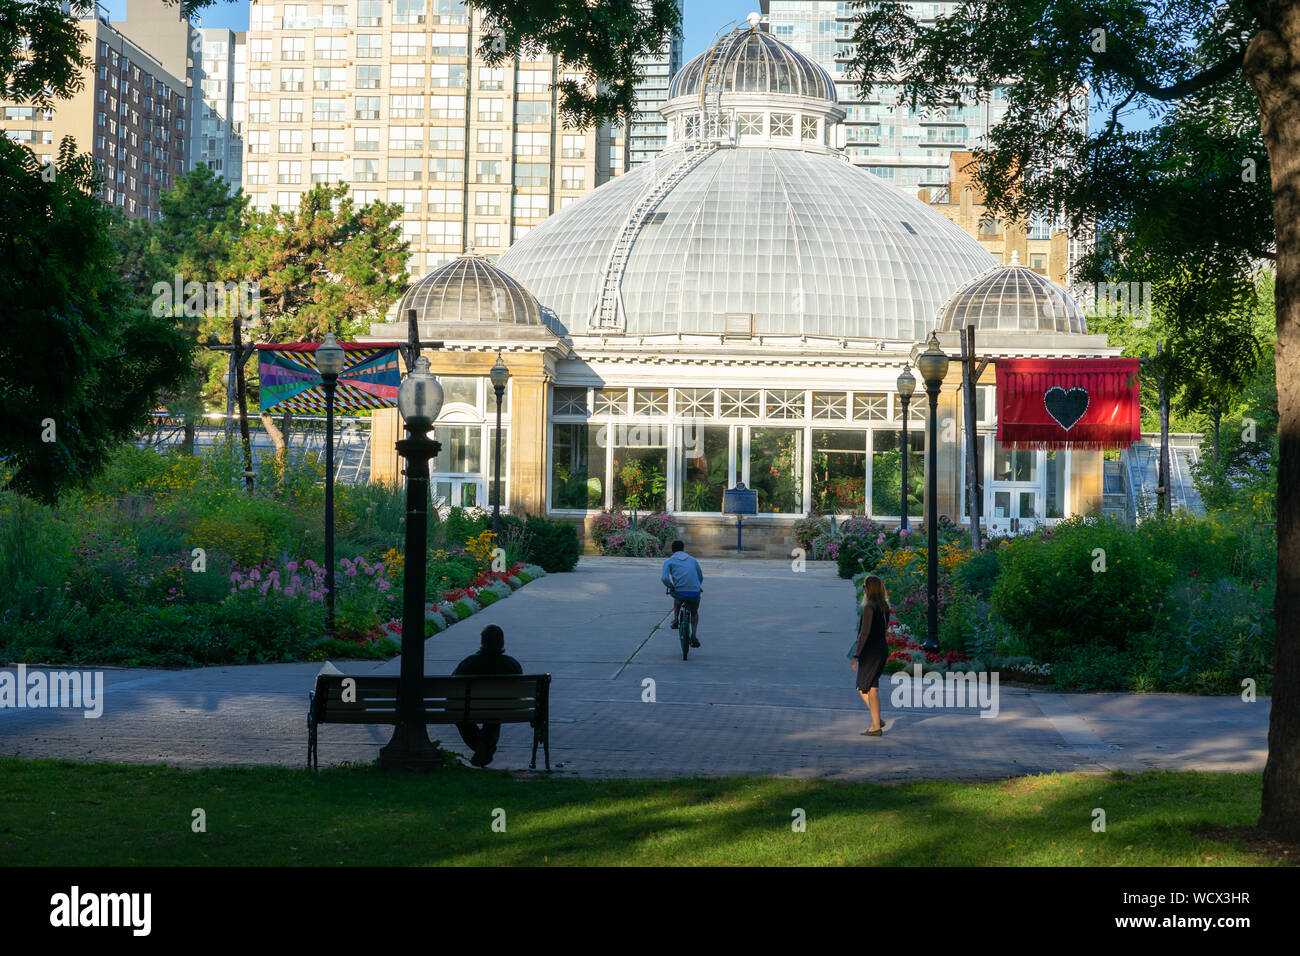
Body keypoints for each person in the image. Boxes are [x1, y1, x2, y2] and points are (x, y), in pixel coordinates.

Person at [452, 624, 523, 766]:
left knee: (460, 714)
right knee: (494, 715)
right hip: (504, 708)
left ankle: (480, 746)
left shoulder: (469, 663)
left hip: (469, 708)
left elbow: (453, 686)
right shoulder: (511, 664)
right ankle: (484, 747)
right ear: (502, 642)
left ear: (482, 641)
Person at [851, 575, 891, 736]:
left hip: (871, 650)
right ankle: (876, 720)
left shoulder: (869, 608)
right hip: (882, 647)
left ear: (868, 589)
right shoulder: (885, 607)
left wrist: (856, 655)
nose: (864, 589)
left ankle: (876, 725)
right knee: (871, 686)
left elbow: (864, 633)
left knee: (864, 688)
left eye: (864, 587)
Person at [660, 539, 703, 647]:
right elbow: (700, 577)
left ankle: (675, 620)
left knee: (676, 597)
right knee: (694, 612)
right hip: (694, 592)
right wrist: (698, 586)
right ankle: (693, 636)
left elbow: (664, 578)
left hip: (680, 591)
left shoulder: (669, 561)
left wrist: (671, 586)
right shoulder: (693, 560)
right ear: (683, 549)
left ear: (672, 550)